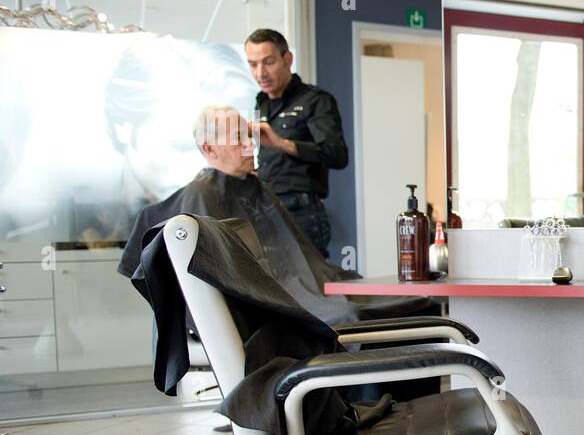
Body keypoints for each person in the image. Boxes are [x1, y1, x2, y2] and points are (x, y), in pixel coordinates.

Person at [118, 106, 437, 328]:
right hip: (270, 305)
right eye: (237, 140)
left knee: (417, 302)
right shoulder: (201, 198)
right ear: (209, 148)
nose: (249, 147)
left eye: (248, 137)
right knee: (347, 315)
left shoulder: (254, 187)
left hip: (307, 287)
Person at [244, 28, 348, 259]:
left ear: (287, 59)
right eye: (253, 64)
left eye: (268, 62)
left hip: (302, 213)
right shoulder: (260, 103)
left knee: (307, 291)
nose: (260, 72)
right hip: (266, 209)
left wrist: (282, 143)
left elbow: (337, 155)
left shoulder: (315, 101)